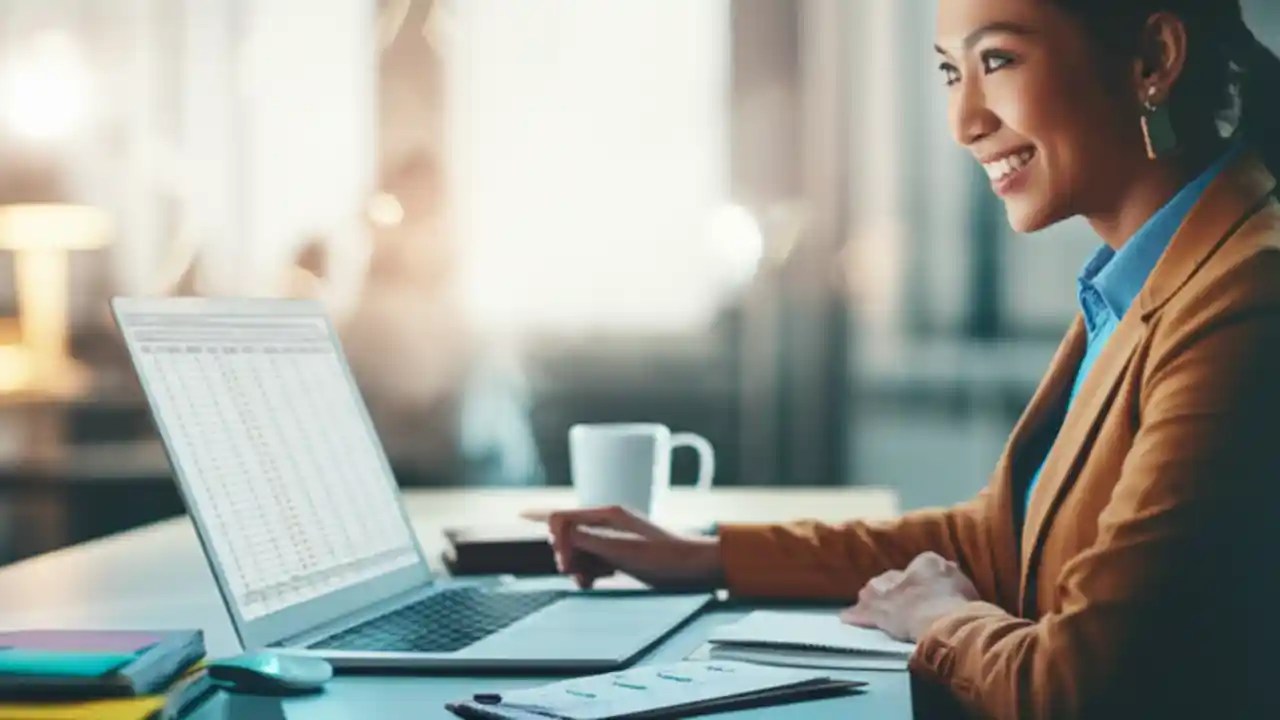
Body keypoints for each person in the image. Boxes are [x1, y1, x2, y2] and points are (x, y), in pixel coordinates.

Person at [536, 1, 1280, 717]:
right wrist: (705, 557)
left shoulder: (1244, 295)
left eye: (999, 59)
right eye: (951, 74)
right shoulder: (1142, 278)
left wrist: (938, 618)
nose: (965, 123)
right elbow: (995, 539)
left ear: (1153, 59)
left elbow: (1073, 689)